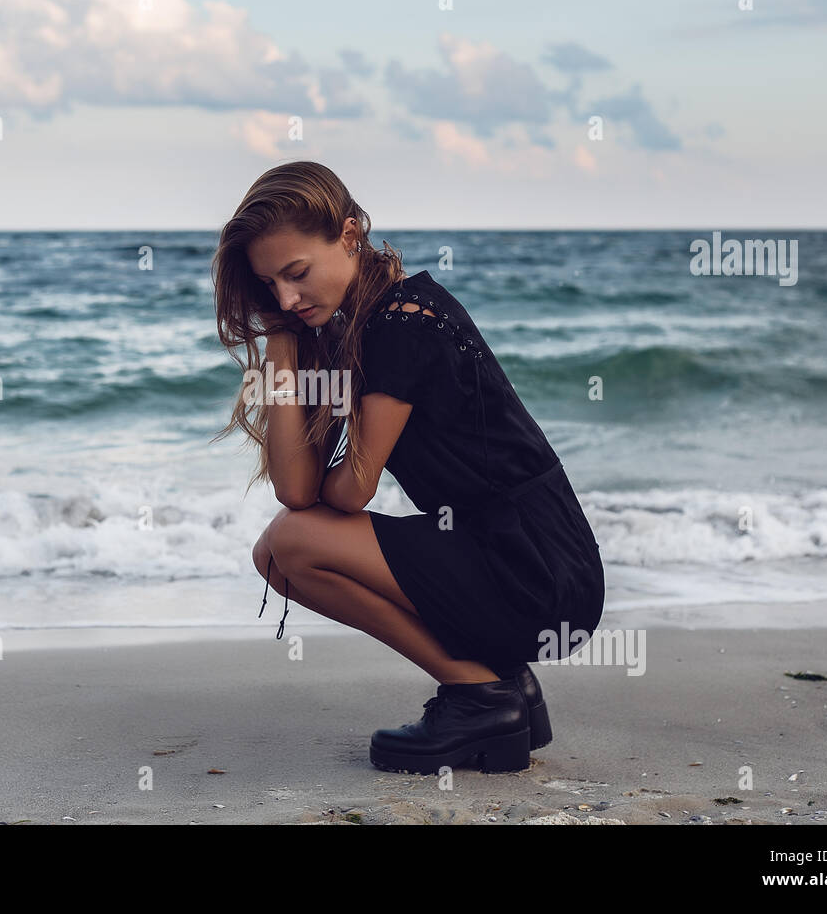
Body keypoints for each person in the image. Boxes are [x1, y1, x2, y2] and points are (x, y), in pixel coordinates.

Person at [210, 161, 606, 775]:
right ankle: (500, 681)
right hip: (508, 555)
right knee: (277, 554)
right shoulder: (358, 326)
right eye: (271, 285)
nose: (285, 299)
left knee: (292, 542)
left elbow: (351, 490)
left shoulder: (403, 321)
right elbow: (295, 486)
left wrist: (328, 486)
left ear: (349, 235)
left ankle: (480, 694)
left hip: (539, 570)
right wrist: (282, 346)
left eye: (297, 274)